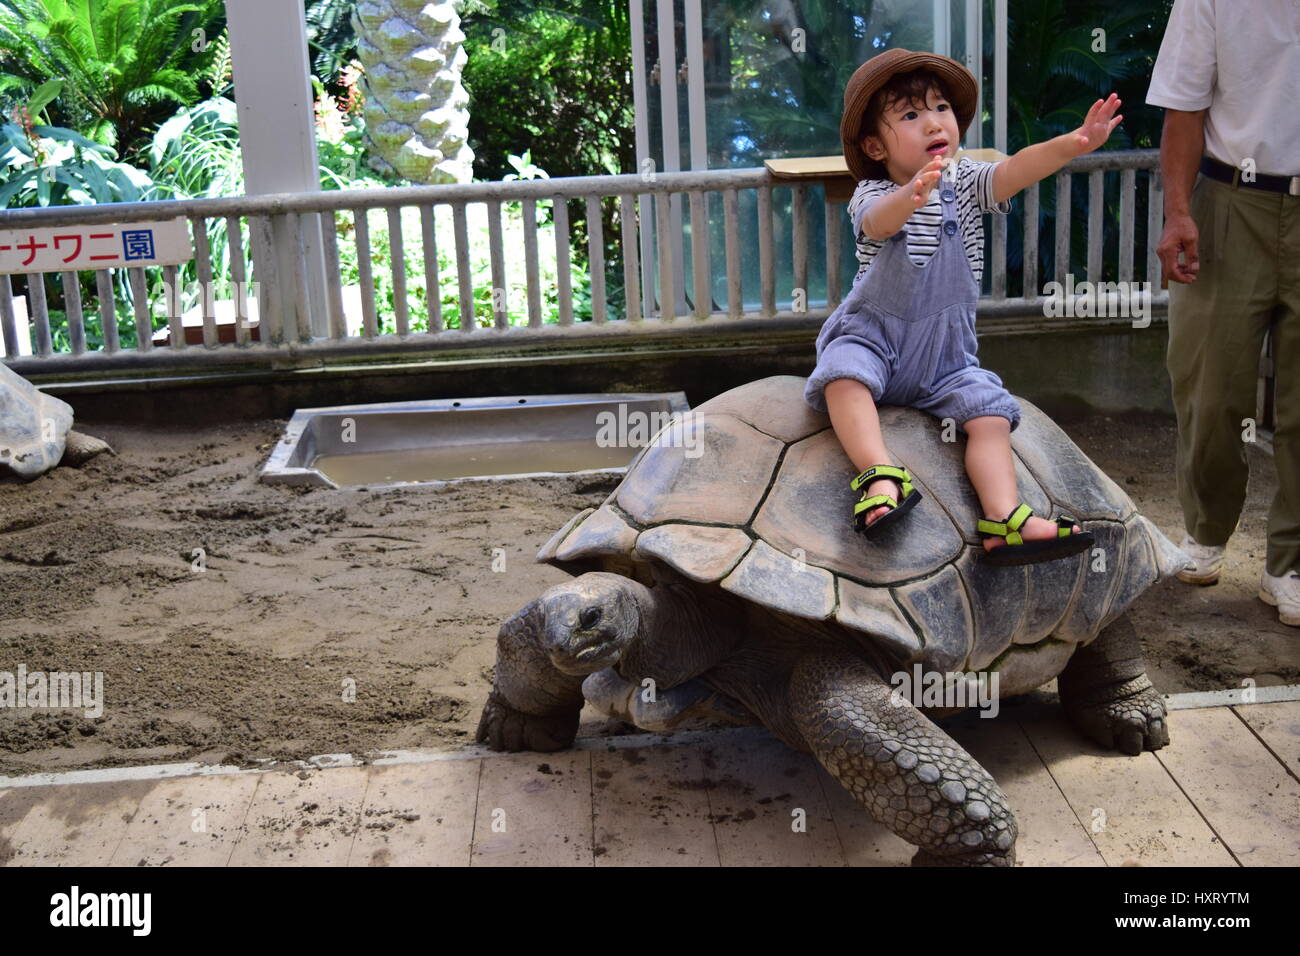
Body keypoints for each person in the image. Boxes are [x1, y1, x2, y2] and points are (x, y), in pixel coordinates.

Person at [804, 48, 1120, 565]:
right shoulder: (872, 191)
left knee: (991, 414)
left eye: (941, 109)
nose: (933, 122)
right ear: (874, 146)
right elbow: (880, 223)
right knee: (842, 376)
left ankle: (1003, 519)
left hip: (946, 358)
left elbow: (1017, 169)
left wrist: (1073, 144)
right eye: (910, 115)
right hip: (875, 339)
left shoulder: (968, 181)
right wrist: (912, 197)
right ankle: (879, 475)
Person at [1146, 0, 1299, 627]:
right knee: (1209, 386)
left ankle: (1290, 566)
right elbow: (1186, 108)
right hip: (1231, 199)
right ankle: (1205, 532)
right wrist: (1178, 211)